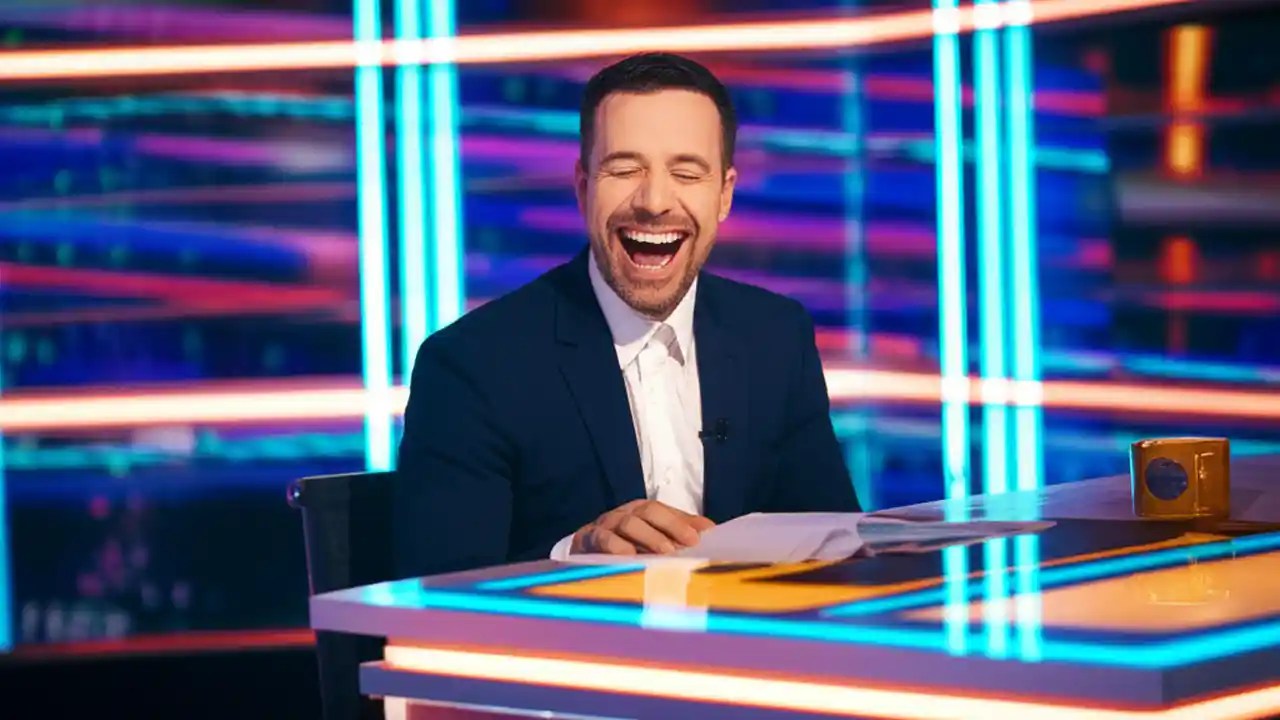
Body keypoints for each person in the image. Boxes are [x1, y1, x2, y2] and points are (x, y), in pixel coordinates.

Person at [394, 52, 859, 579]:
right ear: (583, 187)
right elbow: (438, 590)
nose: (655, 201)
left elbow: (835, 544)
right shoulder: (473, 364)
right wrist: (574, 554)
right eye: (624, 169)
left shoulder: (776, 336)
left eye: (686, 172)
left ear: (724, 195)